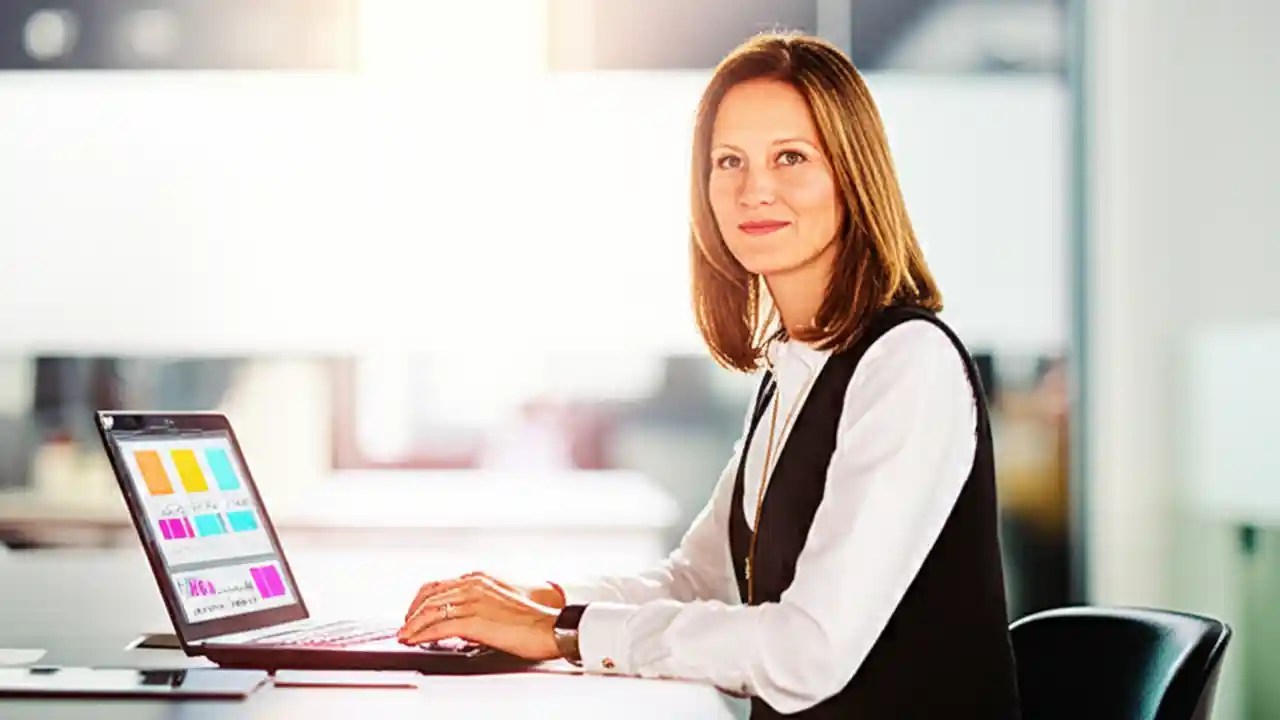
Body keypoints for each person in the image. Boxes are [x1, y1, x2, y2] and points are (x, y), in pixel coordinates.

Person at [396, 32, 1021, 719]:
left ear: (853, 173)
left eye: (791, 157)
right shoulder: (796, 369)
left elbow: (806, 652)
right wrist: (543, 601)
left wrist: (562, 635)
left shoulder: (908, 365)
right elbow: (700, 581)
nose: (755, 189)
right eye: (730, 161)